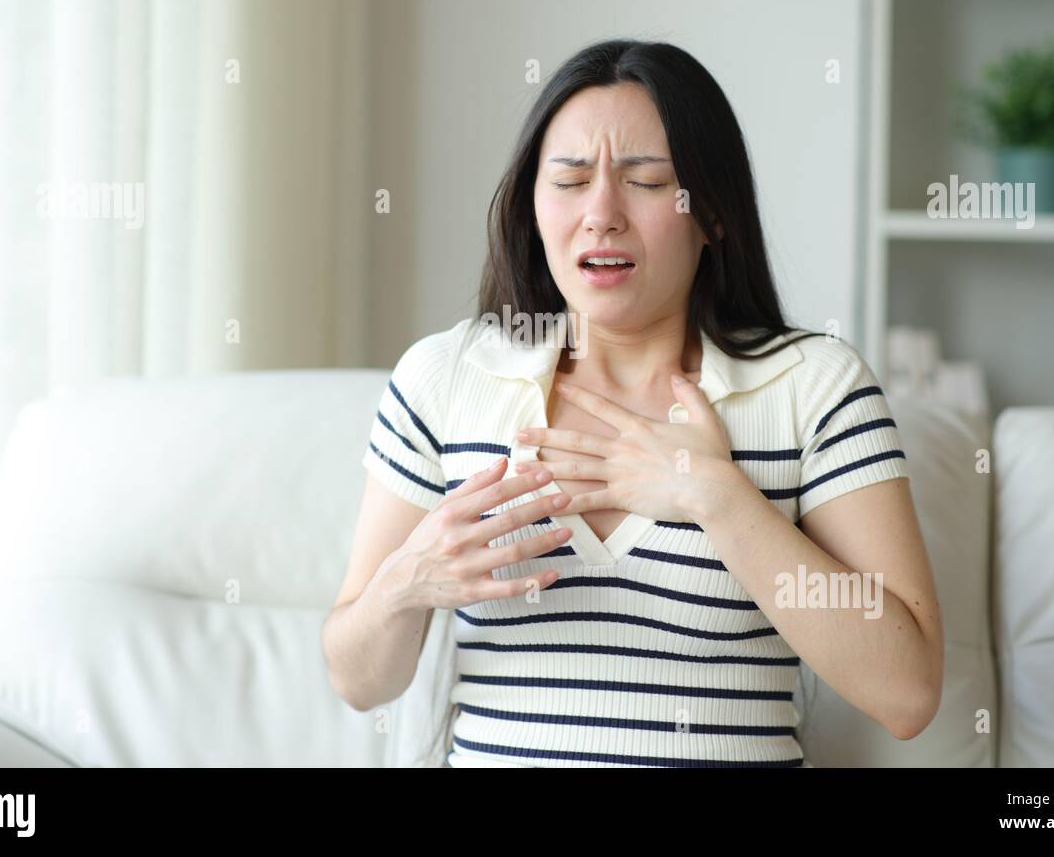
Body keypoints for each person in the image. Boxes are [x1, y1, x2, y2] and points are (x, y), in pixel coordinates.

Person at [322, 38, 943, 768]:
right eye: (570, 179)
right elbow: (359, 680)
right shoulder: (445, 379)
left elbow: (908, 694)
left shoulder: (815, 387)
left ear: (713, 211)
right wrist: (408, 581)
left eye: (646, 181)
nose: (601, 213)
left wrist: (721, 499)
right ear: (533, 204)